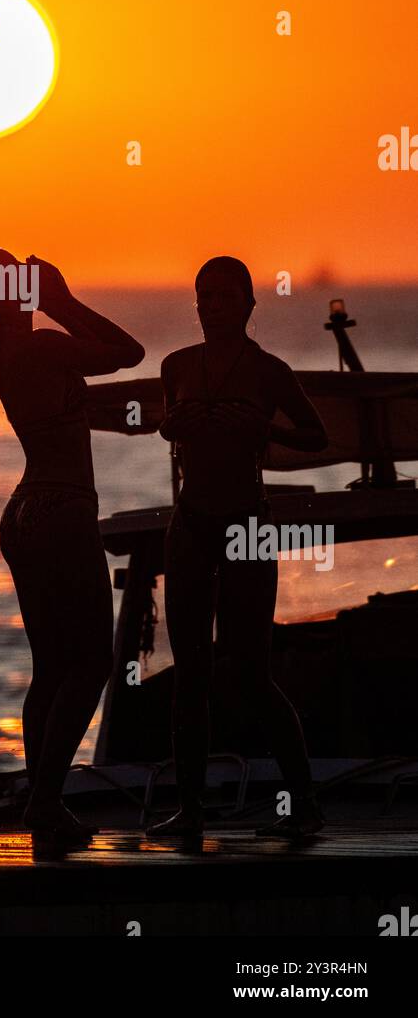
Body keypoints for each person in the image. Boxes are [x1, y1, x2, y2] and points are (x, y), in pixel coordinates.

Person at [0, 248, 144, 836]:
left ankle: (43, 802)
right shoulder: (40, 346)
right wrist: (63, 301)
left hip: (25, 513)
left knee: (51, 669)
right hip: (63, 509)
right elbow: (129, 352)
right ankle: (45, 800)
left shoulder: (2, 354)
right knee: (93, 663)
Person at [148, 256, 328, 840]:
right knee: (190, 675)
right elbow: (166, 424)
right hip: (190, 526)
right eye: (204, 296)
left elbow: (317, 435)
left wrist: (262, 429)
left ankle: (304, 805)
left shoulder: (270, 372)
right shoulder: (176, 365)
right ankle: (190, 812)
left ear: (249, 304)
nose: (212, 307)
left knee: (251, 673)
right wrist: (175, 424)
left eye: (225, 296)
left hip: (248, 525)